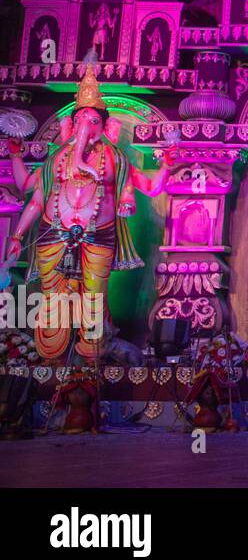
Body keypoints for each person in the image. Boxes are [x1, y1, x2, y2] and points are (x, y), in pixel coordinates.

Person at [4, 66, 173, 361]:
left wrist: (168, 162)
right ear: (72, 124)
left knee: (93, 301)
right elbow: (30, 192)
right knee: (52, 301)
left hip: (97, 238)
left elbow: (153, 187)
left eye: (93, 120)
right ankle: (51, 363)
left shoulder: (115, 160)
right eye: (81, 119)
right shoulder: (58, 159)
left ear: (105, 128)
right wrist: (17, 234)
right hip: (53, 236)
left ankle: (91, 366)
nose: (87, 126)